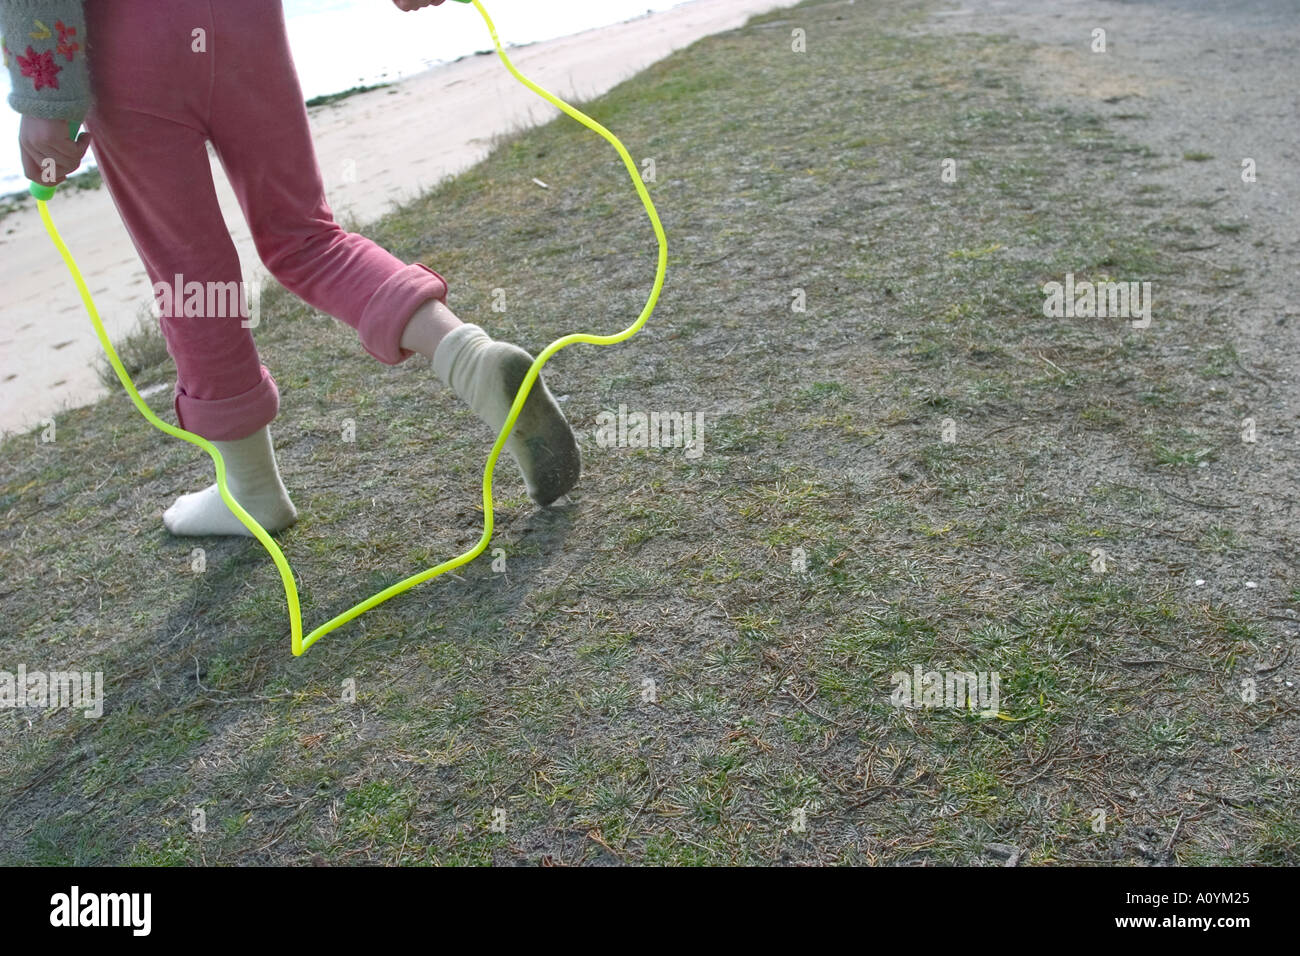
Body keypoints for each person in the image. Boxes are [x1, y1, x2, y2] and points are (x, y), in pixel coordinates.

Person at [2, 0, 581, 537]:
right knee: (305, 237)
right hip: (243, 21)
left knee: (192, 278)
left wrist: (45, 100)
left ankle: (250, 489)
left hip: (127, 44)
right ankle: (470, 359)